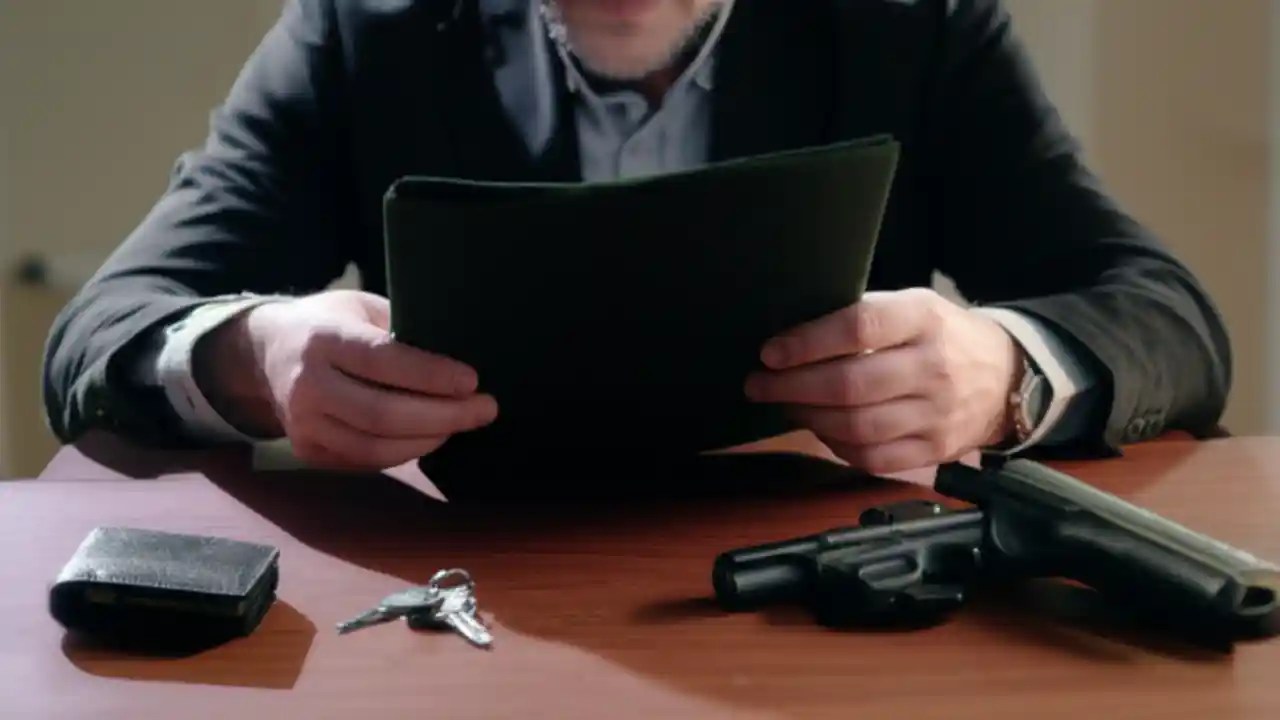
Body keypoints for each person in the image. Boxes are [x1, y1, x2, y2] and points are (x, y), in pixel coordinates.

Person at [42, 0, 1231, 480]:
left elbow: (1165, 316)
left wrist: (1002, 375)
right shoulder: (364, 24)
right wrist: (259, 354)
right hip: (469, 612)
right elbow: (103, 326)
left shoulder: (910, 24)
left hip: (821, 616)